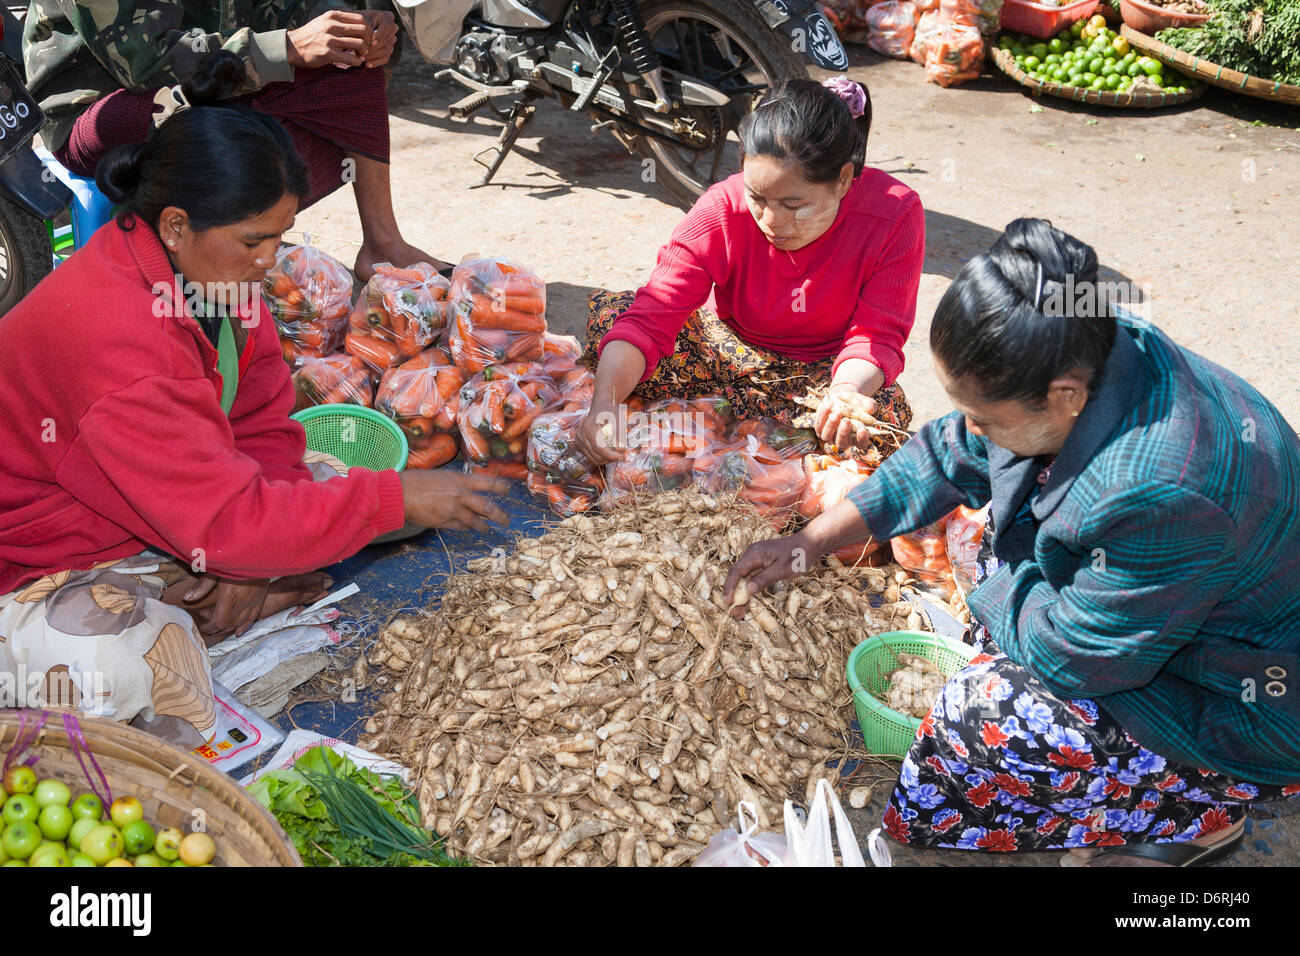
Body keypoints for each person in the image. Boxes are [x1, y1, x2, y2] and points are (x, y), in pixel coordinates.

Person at [724, 218, 1300, 866]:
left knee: (976, 724)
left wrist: (996, 579)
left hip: (1239, 694)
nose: (972, 428)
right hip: (1155, 616)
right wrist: (810, 541)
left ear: (1065, 397)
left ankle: (1192, 813)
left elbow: (1073, 659)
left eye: (987, 417)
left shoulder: (1167, 488)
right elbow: (949, 451)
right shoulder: (1090, 347)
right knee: (985, 590)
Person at [0, 56, 509, 745]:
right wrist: (249, 544)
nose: (271, 260)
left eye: (280, 236)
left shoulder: (219, 284)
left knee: (325, 489)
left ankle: (233, 584)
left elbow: (263, 425)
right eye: (252, 241)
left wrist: (248, 563)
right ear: (176, 225)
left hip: (156, 506)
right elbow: (226, 515)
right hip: (39, 551)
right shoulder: (116, 340)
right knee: (130, 671)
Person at [574, 76, 925, 466]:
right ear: (742, 166)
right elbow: (652, 318)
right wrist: (604, 404)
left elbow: (876, 335)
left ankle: (731, 429)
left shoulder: (894, 214)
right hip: (727, 353)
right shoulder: (720, 209)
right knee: (616, 321)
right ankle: (744, 433)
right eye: (757, 198)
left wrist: (843, 395)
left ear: (843, 180)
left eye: (794, 205)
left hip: (825, 373)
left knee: (875, 420)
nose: (772, 221)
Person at [23, 0, 434, 278]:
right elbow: (146, 62)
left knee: (351, 64)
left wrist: (345, 23)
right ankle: (199, 275)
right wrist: (287, 47)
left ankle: (382, 244)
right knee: (186, 115)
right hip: (106, 104)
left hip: (223, 77)